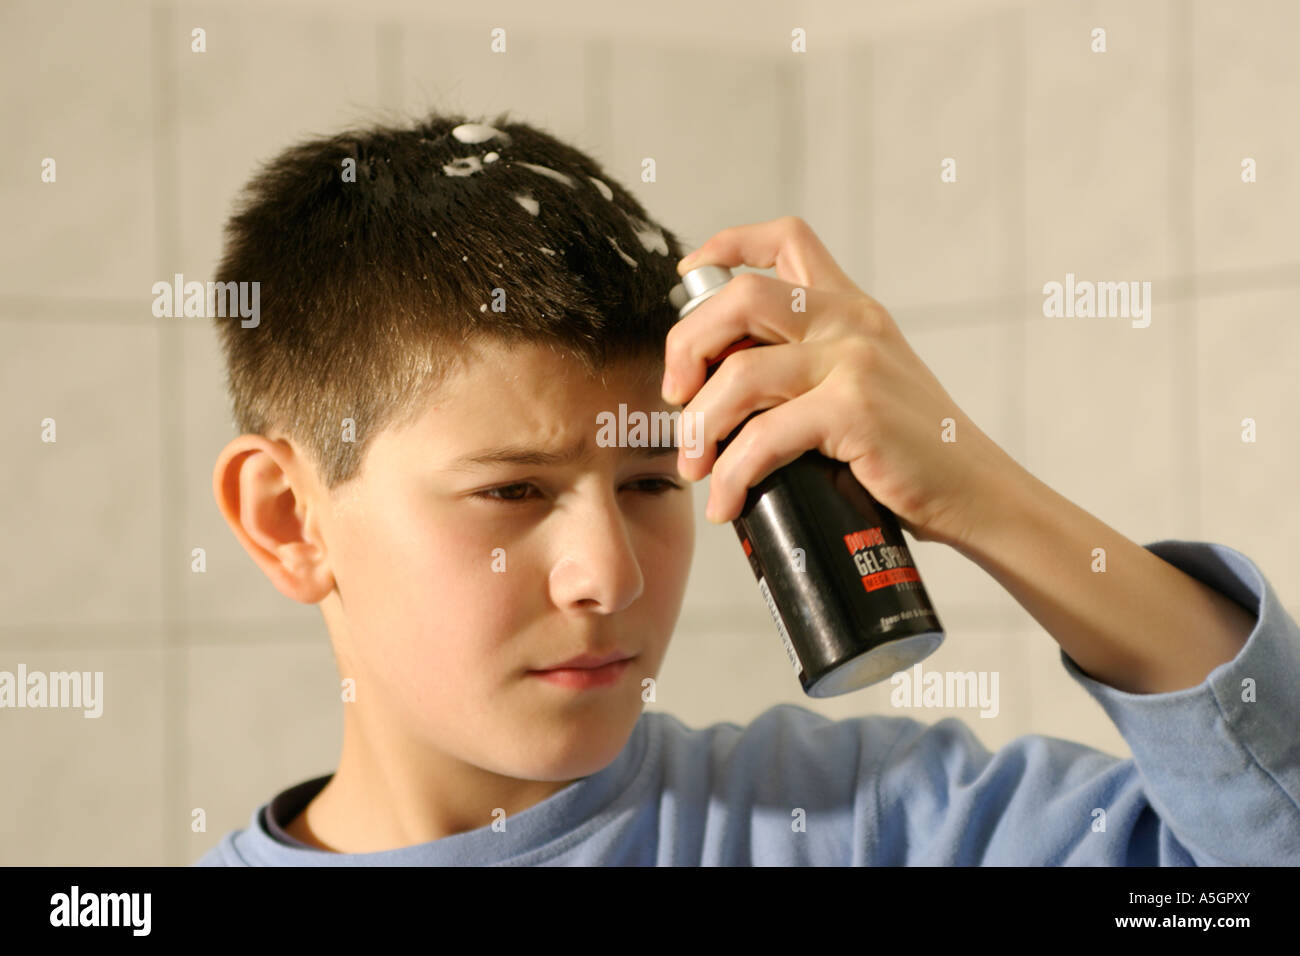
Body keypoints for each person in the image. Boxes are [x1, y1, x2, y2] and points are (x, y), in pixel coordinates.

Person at [194, 110, 1299, 865]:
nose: (610, 573)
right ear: (289, 520)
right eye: (515, 493)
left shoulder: (857, 823)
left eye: (647, 482)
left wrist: (981, 487)